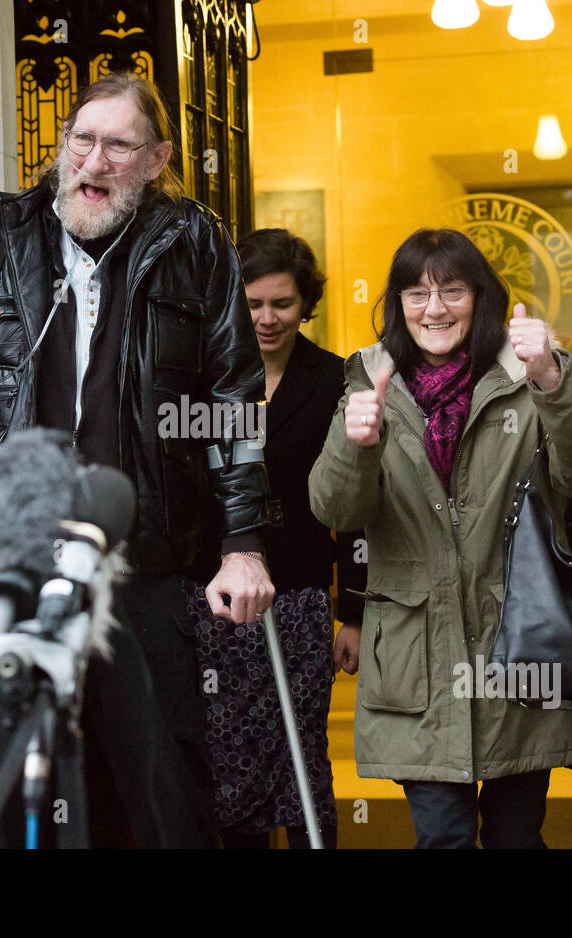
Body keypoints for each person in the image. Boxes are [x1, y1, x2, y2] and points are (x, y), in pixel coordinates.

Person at [0, 75, 273, 847]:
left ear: (156, 159)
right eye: (82, 140)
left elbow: (233, 400)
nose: (94, 160)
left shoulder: (193, 241)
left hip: (139, 555)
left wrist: (242, 544)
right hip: (3, 558)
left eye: (118, 145)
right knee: (2, 787)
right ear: (61, 147)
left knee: (162, 794)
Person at [309, 228, 572, 848]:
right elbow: (336, 508)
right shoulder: (369, 383)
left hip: (520, 645)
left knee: (515, 836)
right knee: (442, 834)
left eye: (452, 290)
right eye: (417, 294)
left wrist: (553, 380)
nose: (435, 308)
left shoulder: (527, 373)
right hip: (416, 660)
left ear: (480, 298)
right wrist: (354, 442)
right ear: (397, 303)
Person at [183, 228, 364, 849]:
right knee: (229, 756)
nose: (266, 318)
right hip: (216, 599)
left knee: (301, 750)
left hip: (301, 597)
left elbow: (357, 508)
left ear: (305, 303)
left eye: (282, 303)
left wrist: (354, 614)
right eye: (252, 302)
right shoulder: (204, 379)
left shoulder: (335, 379)